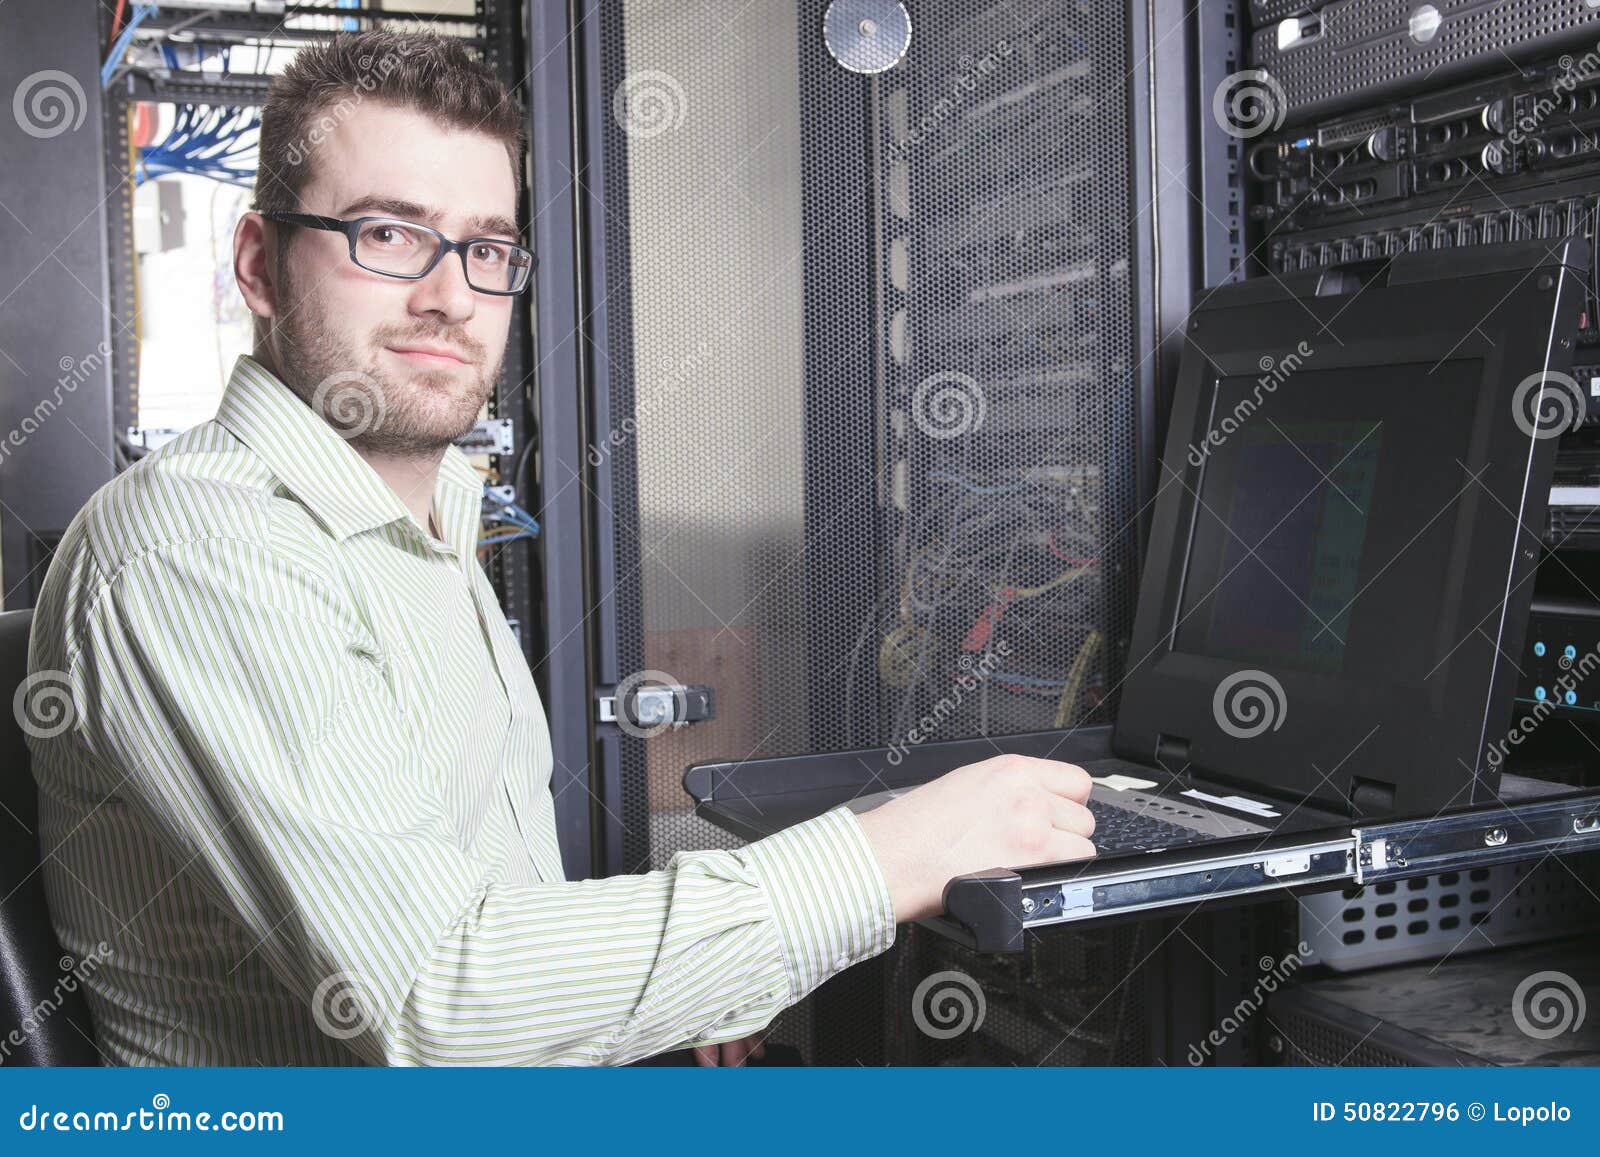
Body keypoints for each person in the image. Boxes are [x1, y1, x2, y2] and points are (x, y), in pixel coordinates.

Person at [23, 29, 1095, 1067]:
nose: (450, 297)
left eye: (485, 249)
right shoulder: (201, 549)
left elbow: (481, 912)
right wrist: (890, 854)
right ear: (259, 264)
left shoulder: (427, 522)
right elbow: (435, 999)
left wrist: (679, 981)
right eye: (387, 234)